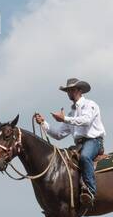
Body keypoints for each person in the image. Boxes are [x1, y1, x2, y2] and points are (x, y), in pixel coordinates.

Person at [35, 77, 105, 209]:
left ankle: (90, 191)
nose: (69, 93)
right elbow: (58, 134)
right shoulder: (72, 113)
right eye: (68, 90)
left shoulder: (90, 105)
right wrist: (43, 123)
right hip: (79, 145)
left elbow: (86, 120)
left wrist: (65, 119)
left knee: (85, 157)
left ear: (79, 90)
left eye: (72, 90)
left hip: (94, 141)